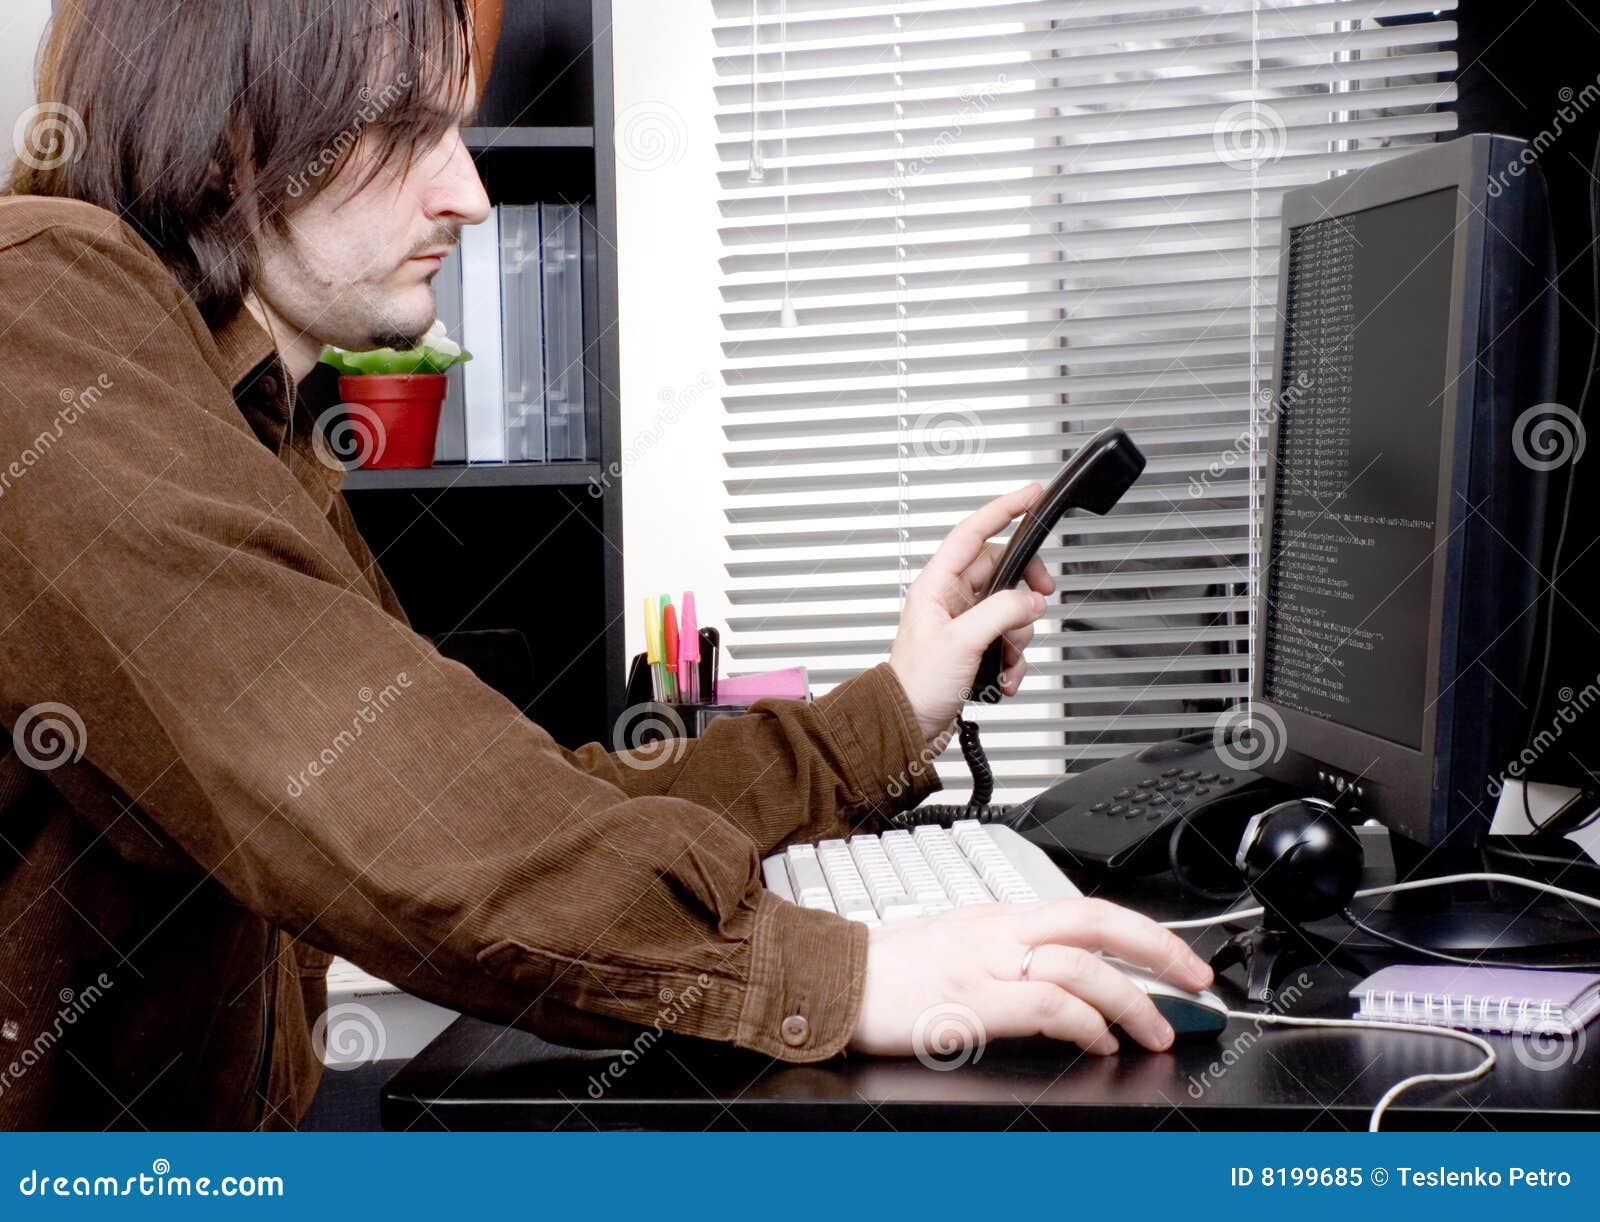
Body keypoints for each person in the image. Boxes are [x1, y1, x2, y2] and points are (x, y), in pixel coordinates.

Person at [0, 0, 1210, 1130]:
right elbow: (413, 819)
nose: (468, 195)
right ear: (227, 137)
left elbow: (515, 803)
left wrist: (889, 711)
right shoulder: (35, 303)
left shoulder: (256, 442)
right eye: (411, 131)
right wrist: (833, 976)